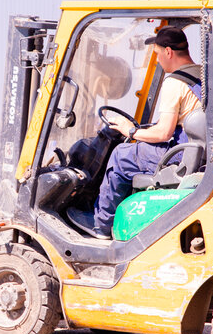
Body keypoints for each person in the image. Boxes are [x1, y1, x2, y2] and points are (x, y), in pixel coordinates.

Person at [68, 26, 202, 239]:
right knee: (135, 147)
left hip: (178, 155)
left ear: (168, 52)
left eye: (157, 54)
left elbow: (164, 133)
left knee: (121, 155)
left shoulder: (175, 82)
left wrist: (128, 130)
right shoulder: (202, 75)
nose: (157, 60)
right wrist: (140, 131)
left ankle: (101, 225)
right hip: (196, 152)